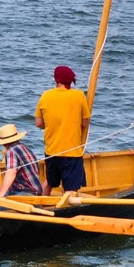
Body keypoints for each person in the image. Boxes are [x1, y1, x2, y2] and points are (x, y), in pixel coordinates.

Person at [35, 64, 92, 194]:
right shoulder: (78, 95)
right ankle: (67, 212)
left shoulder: (46, 95)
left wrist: (52, 124)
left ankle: (41, 203)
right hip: (72, 152)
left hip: (51, 151)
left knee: (50, 182)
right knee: (70, 190)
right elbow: (85, 123)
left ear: (56, 80)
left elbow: (38, 123)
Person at [0, 123, 44, 197]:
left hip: (27, 192)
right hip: (34, 190)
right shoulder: (25, 148)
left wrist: (1, 193)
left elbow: (11, 172)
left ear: (3, 143)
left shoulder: (12, 151)